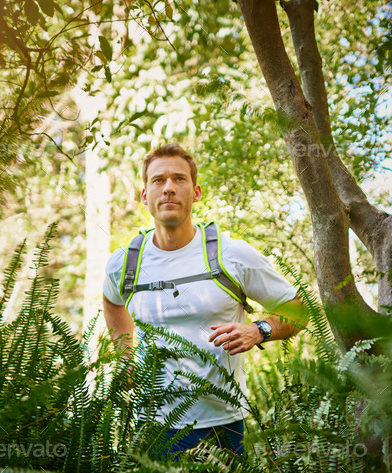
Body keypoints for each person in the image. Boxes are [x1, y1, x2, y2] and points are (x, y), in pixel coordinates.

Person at [102, 143, 305, 456]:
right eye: (158, 180)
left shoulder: (231, 255)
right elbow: (112, 302)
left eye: (179, 179)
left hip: (221, 424)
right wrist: (125, 354)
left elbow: (300, 310)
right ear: (145, 196)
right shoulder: (125, 263)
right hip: (152, 425)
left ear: (196, 193)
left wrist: (258, 330)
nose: (168, 188)